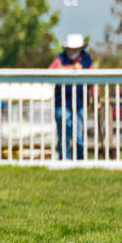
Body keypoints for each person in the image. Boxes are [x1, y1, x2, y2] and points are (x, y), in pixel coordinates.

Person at [48, 33, 93, 161]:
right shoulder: (61, 58)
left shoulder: (87, 59)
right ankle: (64, 160)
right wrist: (71, 68)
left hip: (80, 102)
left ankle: (80, 160)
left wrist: (96, 99)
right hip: (62, 102)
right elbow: (51, 70)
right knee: (63, 133)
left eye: (75, 49)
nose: (73, 51)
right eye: (71, 49)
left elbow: (95, 79)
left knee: (80, 135)